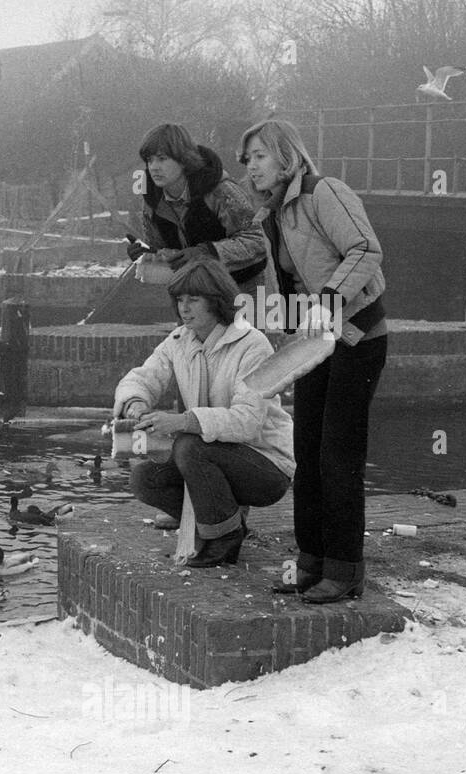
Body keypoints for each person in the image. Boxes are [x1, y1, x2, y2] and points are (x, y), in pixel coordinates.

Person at [240, 119, 387, 604]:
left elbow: (366, 248)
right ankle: (310, 563)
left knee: (338, 457)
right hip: (314, 341)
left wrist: (328, 299)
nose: (251, 166)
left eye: (259, 155)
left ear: (286, 155)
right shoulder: (274, 215)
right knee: (308, 455)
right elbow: (290, 284)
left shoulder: (326, 192)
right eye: (247, 159)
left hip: (357, 336)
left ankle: (345, 571)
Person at [112, 259, 294, 568]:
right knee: (145, 478)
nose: (184, 308)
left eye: (193, 299)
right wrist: (136, 404)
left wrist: (183, 421)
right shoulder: (181, 340)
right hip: (215, 454)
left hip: (266, 464)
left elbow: (247, 421)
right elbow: (143, 377)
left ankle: (224, 537)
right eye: (179, 299)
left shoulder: (252, 345)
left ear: (216, 299)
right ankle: (225, 521)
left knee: (189, 445)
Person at [128, 123, 267, 298]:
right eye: (149, 160)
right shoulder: (152, 200)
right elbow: (162, 249)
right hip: (190, 294)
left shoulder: (220, 191)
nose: (154, 167)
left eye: (162, 158)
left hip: (240, 290)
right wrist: (146, 255)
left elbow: (258, 240)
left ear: (183, 160)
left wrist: (209, 252)